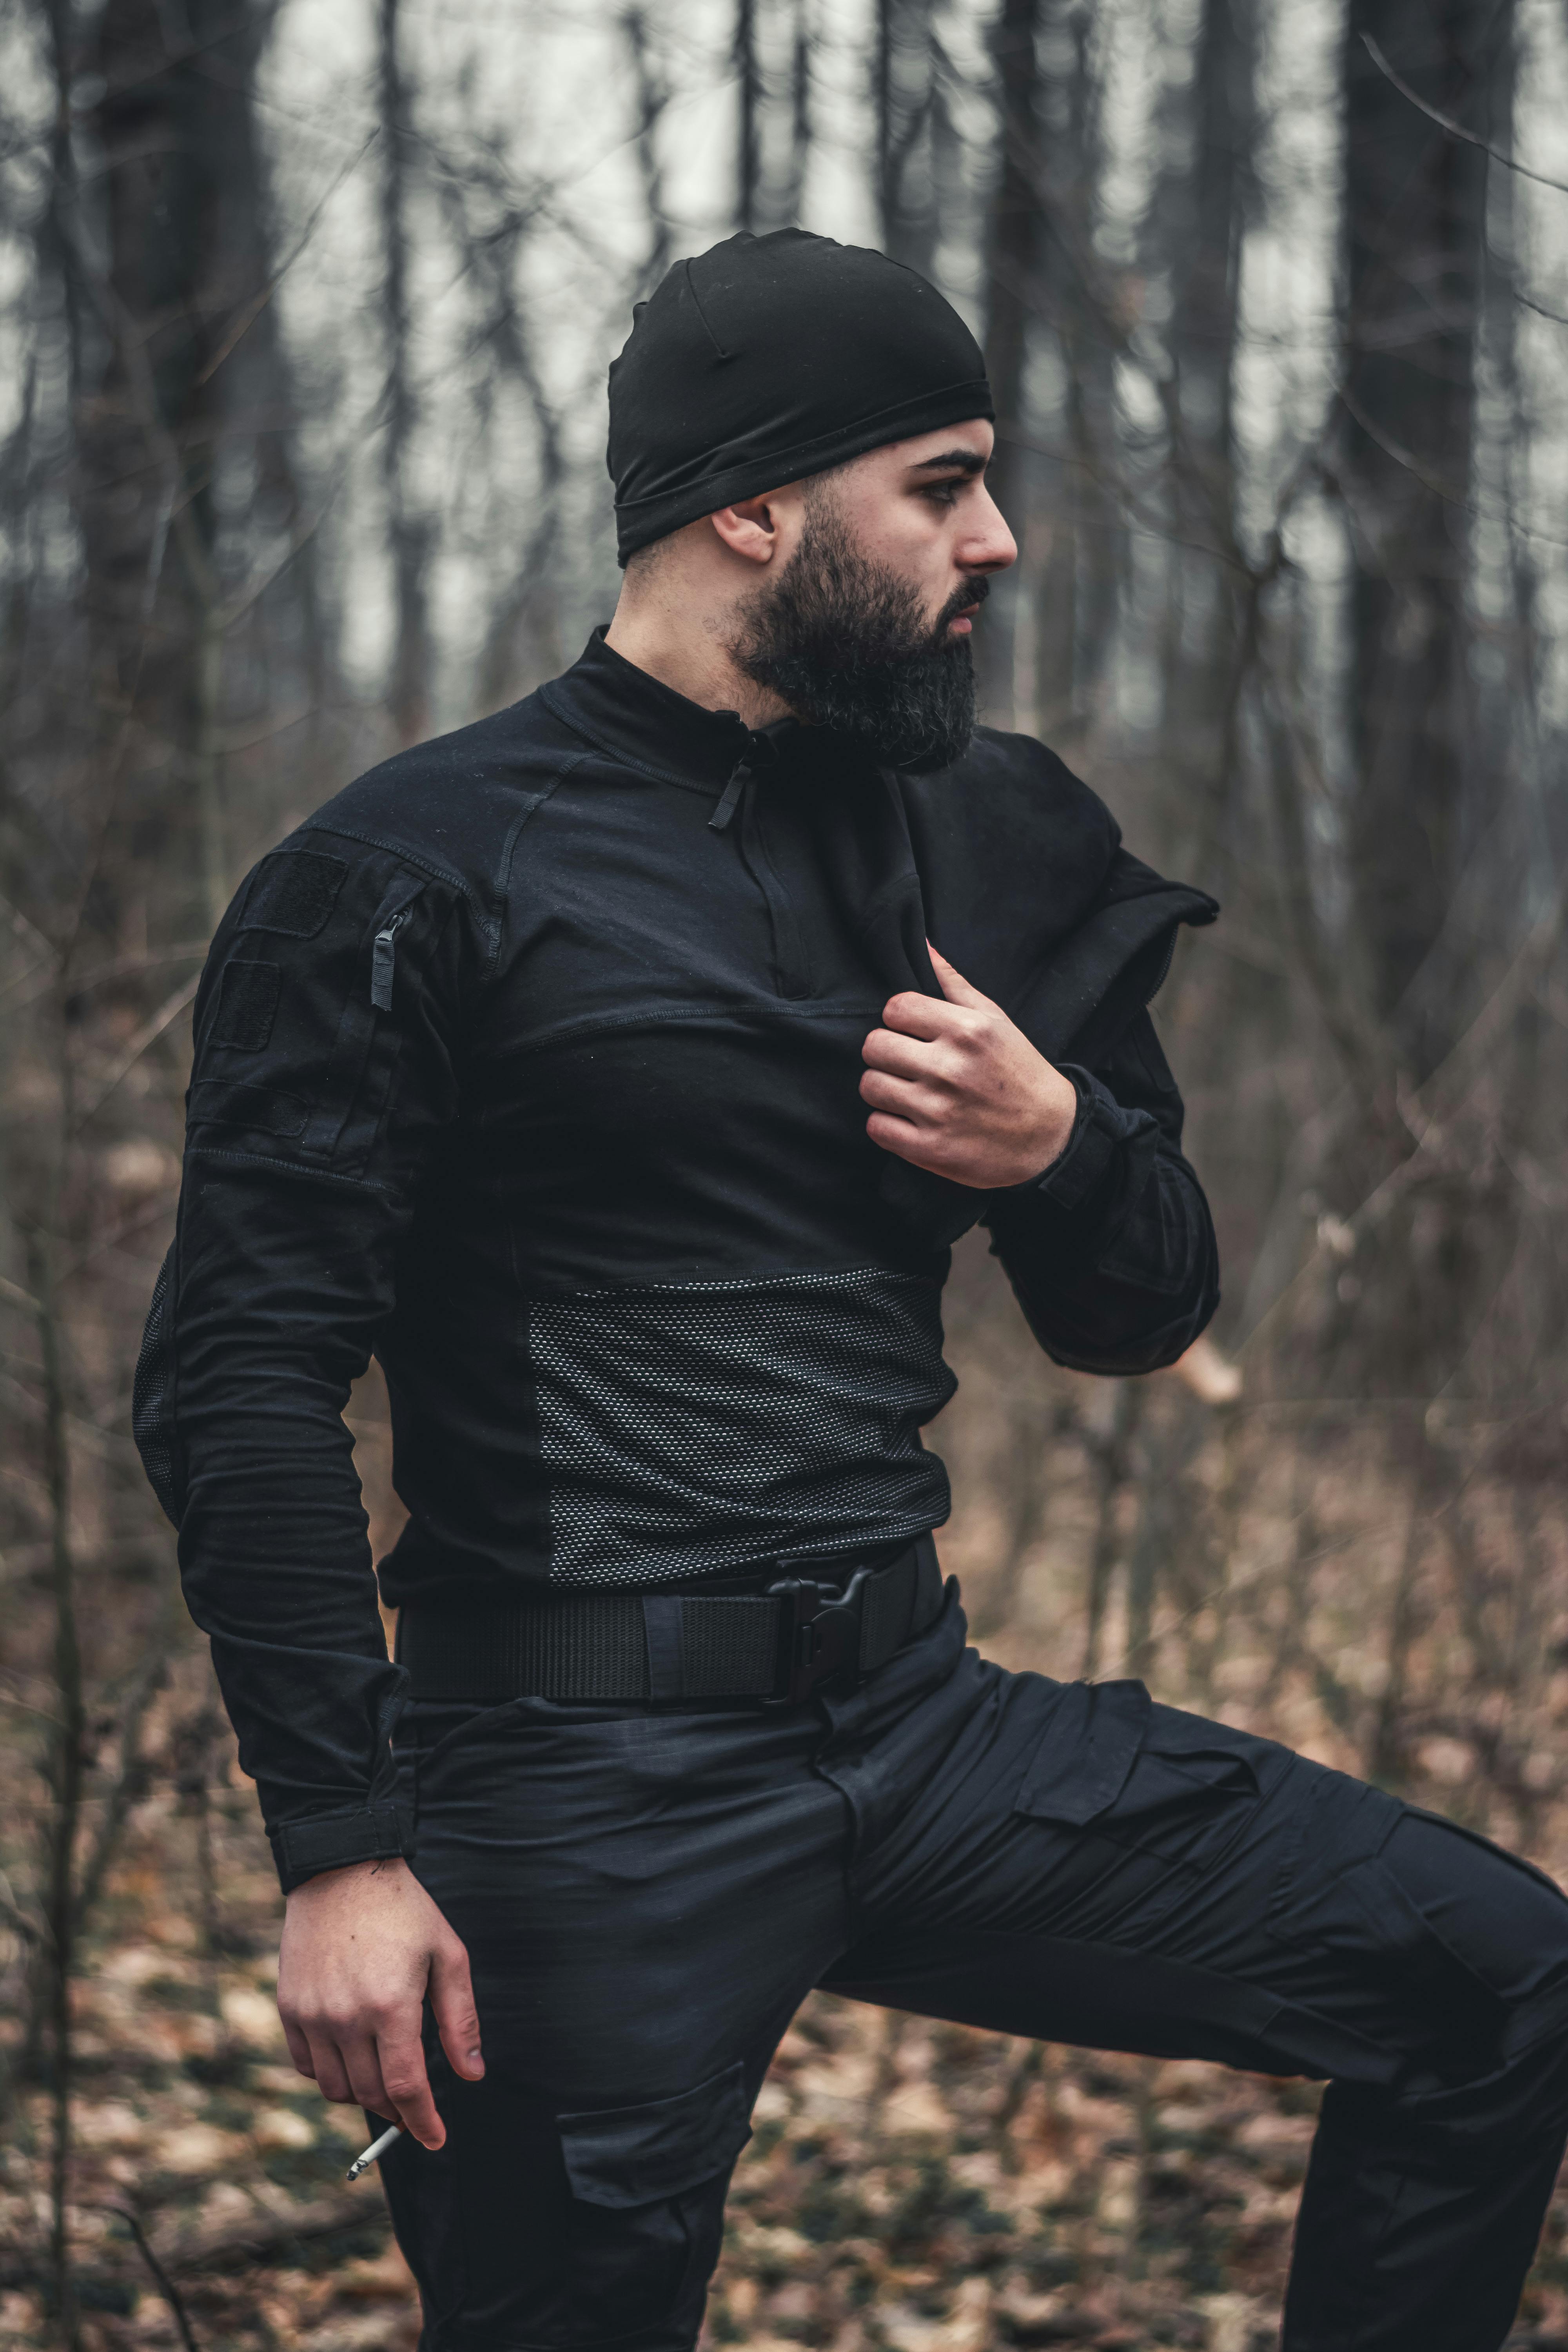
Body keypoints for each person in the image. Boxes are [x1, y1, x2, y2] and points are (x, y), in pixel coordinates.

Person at [136, 229, 1568, 2352]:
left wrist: (1062, 1148)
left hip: (923, 1730)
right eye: (945, 482)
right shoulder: (411, 872)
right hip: (567, 1785)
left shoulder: (988, 837)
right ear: (754, 505)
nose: (998, 539)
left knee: (1495, 1981)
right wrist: (339, 1850)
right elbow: (237, 1375)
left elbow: (1141, 1312)